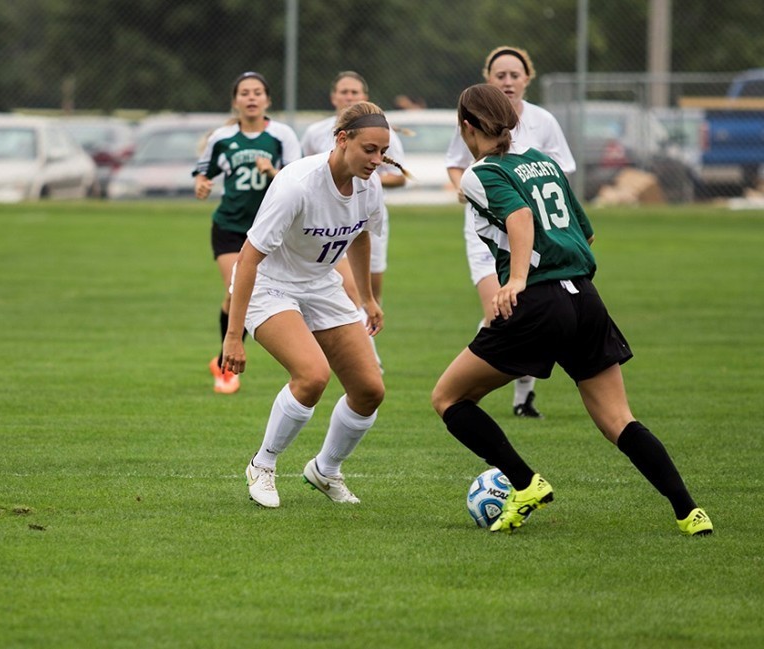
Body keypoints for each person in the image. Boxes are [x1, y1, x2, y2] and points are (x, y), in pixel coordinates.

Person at [430, 84, 713, 537]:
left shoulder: (478, 173)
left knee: (448, 398)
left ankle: (524, 483)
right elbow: (585, 232)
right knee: (620, 420)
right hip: (584, 298)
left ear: (465, 126)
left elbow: (520, 217)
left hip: (539, 303)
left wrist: (518, 279)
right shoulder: (543, 161)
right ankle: (689, 512)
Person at [224, 101, 399, 508]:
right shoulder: (297, 183)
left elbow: (359, 235)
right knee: (312, 376)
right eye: (369, 149)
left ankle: (325, 470)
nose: (377, 160)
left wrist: (368, 299)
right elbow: (248, 257)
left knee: (369, 389)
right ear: (342, 140)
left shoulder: (368, 184)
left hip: (321, 284)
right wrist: (234, 337)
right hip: (270, 285)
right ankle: (262, 465)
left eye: (382, 151)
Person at [445, 46, 576, 418]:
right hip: (487, 229)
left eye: (514, 75)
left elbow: (560, 170)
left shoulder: (543, 121)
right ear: (489, 78)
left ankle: (517, 396)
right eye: (500, 75)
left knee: (514, 310)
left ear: (526, 79)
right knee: (499, 308)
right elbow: (456, 163)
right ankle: (471, 389)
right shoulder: (472, 118)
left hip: (535, 229)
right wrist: (463, 186)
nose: (507, 82)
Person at [194, 71, 301, 394]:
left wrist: (272, 171)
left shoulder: (282, 135)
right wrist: (201, 183)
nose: (251, 97)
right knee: (234, 290)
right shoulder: (222, 137)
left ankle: (226, 359)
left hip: (270, 229)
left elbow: (297, 178)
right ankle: (227, 365)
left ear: (267, 100)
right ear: (235, 100)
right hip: (229, 226)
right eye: (245, 92)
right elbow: (203, 171)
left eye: (258, 92)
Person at [301, 71, 406, 371]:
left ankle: (366, 339)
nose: (349, 97)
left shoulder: (384, 135)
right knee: (349, 288)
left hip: (367, 218)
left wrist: (365, 177)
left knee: (370, 290)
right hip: (329, 222)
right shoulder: (315, 133)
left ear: (365, 97)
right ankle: (366, 358)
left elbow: (399, 175)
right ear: (334, 97)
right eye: (344, 92)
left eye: (355, 92)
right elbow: (306, 169)